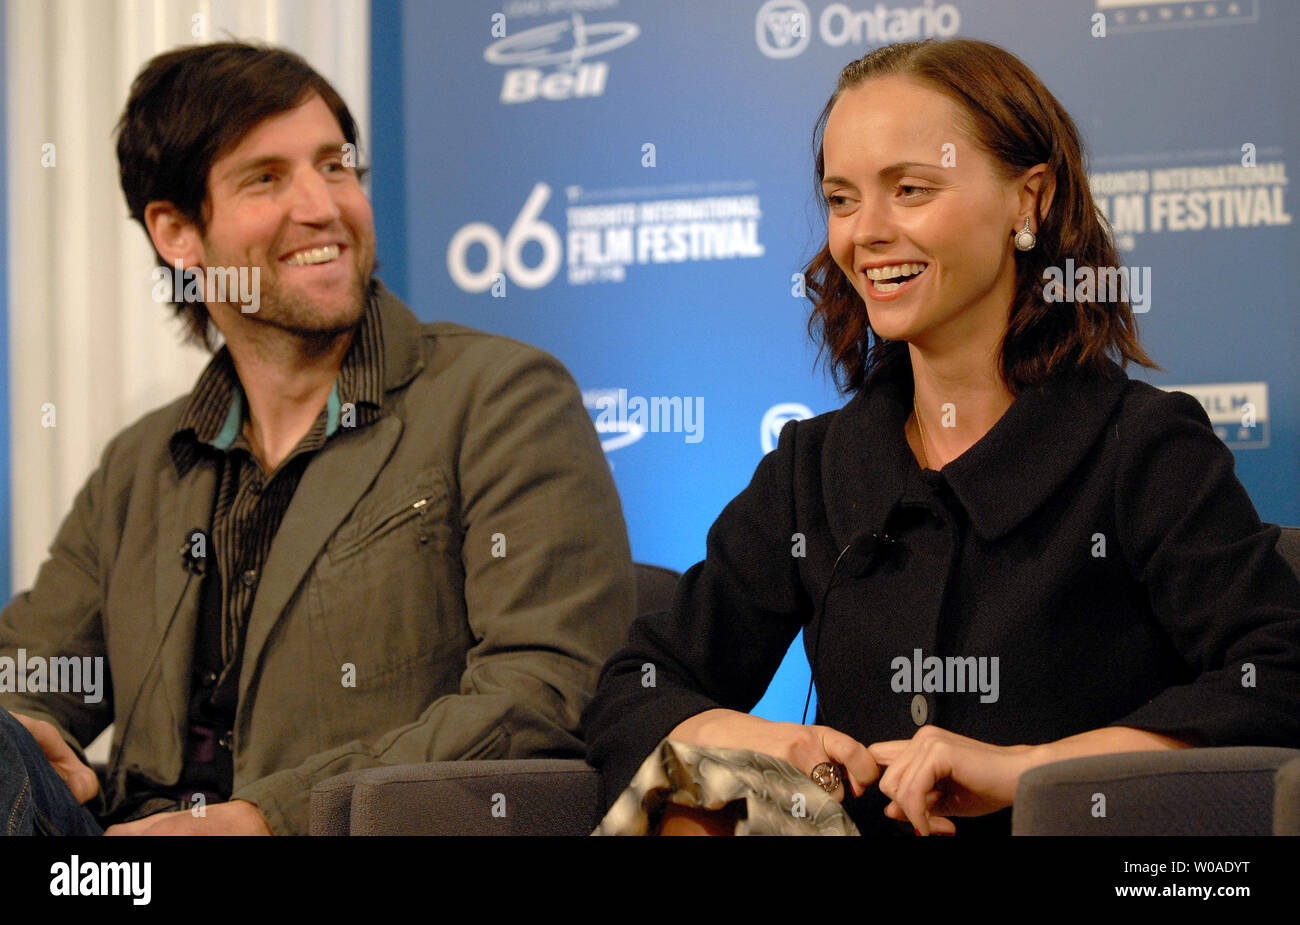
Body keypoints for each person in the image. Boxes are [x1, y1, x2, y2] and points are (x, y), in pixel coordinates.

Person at [581, 38, 1300, 836]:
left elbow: (1277, 674)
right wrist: (772, 742)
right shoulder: (814, 467)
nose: (867, 233)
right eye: (843, 199)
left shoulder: (1142, 445)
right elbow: (637, 686)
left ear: (1028, 200)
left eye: (911, 190)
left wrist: (1028, 770)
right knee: (694, 792)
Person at [0, 42, 636, 836]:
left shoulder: (501, 400)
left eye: (336, 166)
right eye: (266, 178)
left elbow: (548, 686)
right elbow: (30, 669)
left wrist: (266, 816)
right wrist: (27, 729)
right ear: (176, 233)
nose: (323, 205)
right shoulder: (139, 465)